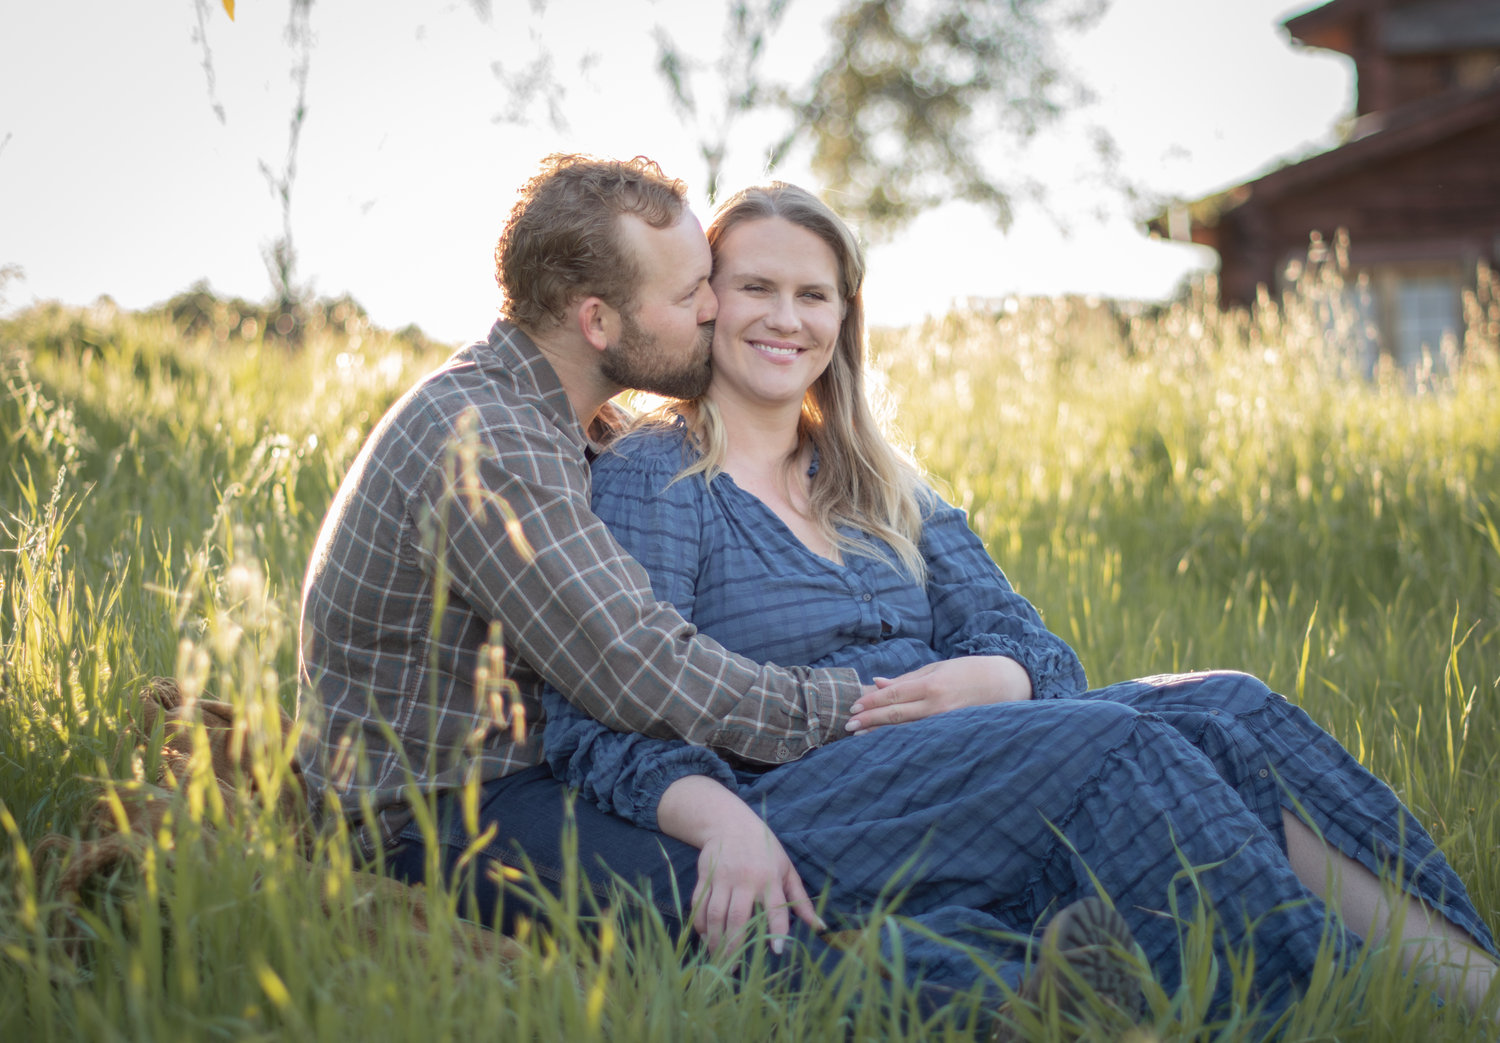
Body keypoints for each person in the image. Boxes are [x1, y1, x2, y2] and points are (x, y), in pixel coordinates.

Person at [544, 182, 1500, 1026]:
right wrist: (721, 820)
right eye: (757, 287)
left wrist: (994, 674)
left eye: (813, 294)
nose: (784, 318)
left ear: (845, 317)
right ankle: (1314, 1007)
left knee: (1227, 705)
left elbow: (1033, 646)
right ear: (708, 304)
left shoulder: (880, 480)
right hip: (806, 792)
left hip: (970, 761)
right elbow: (607, 718)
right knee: (1114, 744)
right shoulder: (657, 478)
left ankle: (1469, 992)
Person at [297, 154, 877, 937]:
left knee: (829, 860)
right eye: (687, 294)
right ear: (597, 320)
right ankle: (998, 1010)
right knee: (763, 906)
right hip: (438, 815)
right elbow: (640, 664)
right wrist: (868, 705)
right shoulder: (488, 441)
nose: (715, 308)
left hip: (533, 780)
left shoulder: (571, 424)